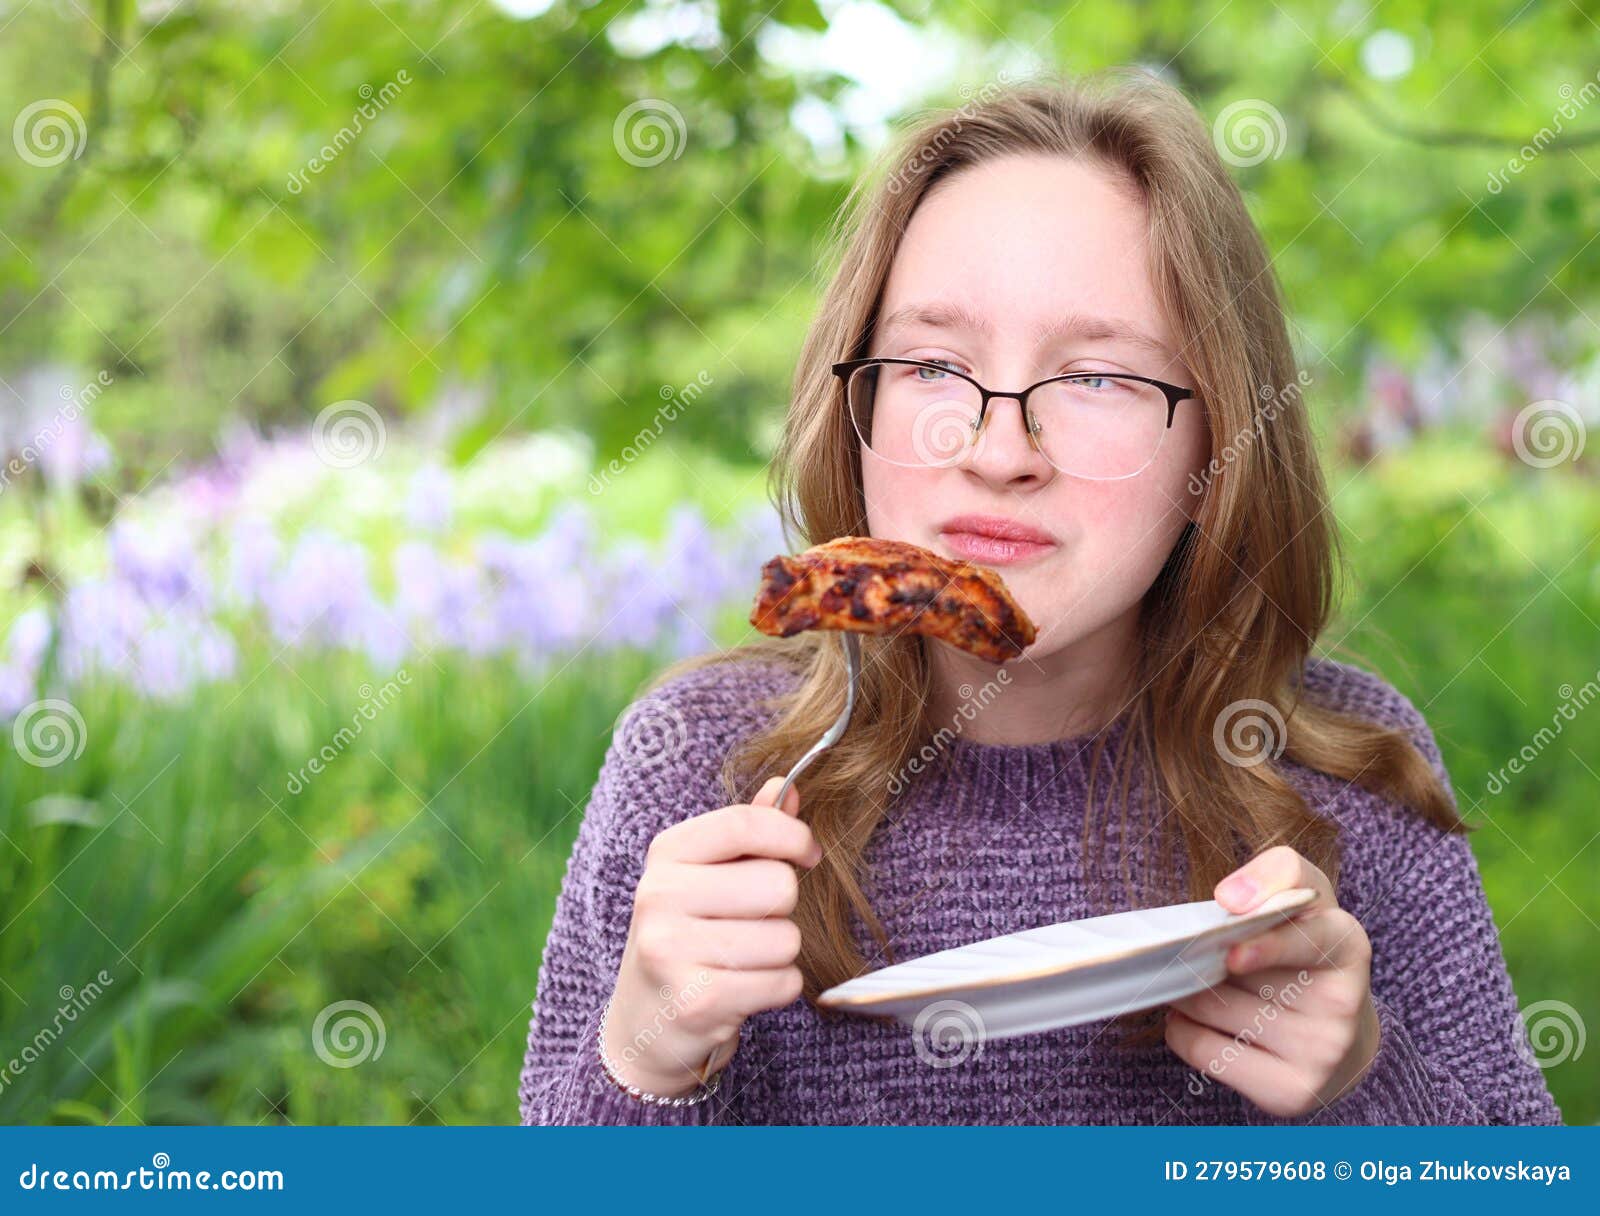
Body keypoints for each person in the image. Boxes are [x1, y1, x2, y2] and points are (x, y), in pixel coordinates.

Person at [517, 69, 1563, 1126]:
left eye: (1097, 377)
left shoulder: (1350, 775)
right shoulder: (698, 767)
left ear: (1221, 448)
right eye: (931, 364)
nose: (999, 449)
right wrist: (643, 1061)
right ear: (857, 402)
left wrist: (1359, 1084)